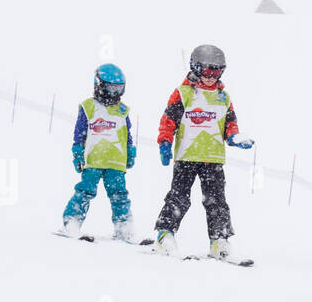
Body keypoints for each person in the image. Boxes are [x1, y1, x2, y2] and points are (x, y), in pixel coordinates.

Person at [152, 44, 253, 258]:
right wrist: (164, 142)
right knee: (178, 197)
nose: (211, 77)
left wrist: (234, 137)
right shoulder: (184, 93)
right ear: (196, 68)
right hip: (187, 156)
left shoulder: (223, 97)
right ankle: (165, 234)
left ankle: (219, 240)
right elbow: (168, 120)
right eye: (208, 71)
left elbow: (229, 124)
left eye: (217, 72)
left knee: (216, 200)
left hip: (212, 158)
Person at [61, 64, 136, 240]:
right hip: (93, 161)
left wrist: (130, 152)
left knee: (120, 196)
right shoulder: (89, 107)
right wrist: (77, 153)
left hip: (116, 162)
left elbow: (128, 134)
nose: (115, 93)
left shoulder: (123, 110)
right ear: (100, 85)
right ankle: (72, 221)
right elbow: (79, 134)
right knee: (85, 192)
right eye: (111, 88)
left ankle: (124, 228)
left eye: (119, 89)